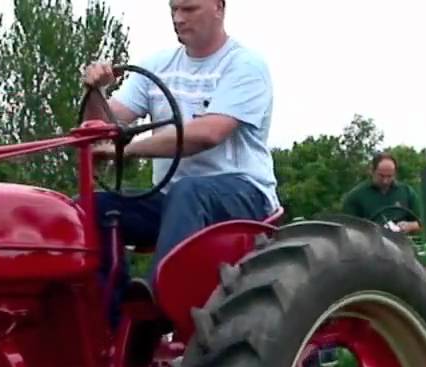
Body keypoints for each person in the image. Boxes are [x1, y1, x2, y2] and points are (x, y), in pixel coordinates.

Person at [81, 0, 279, 299]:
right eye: (173, 9)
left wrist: (130, 149)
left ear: (218, 7)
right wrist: (97, 90)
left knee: (188, 191)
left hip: (243, 195)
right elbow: (100, 127)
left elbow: (208, 134)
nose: (178, 18)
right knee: (88, 208)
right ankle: (107, 321)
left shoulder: (245, 65)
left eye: (189, 9)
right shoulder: (157, 66)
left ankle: (156, 300)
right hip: (171, 199)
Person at [341, 153, 423, 234]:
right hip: (370, 244)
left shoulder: (406, 192)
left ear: (395, 173)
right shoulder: (355, 196)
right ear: (372, 171)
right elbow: (347, 229)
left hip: (403, 243)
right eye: (381, 176)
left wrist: (410, 226)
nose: (385, 181)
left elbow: (423, 222)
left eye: (389, 176)